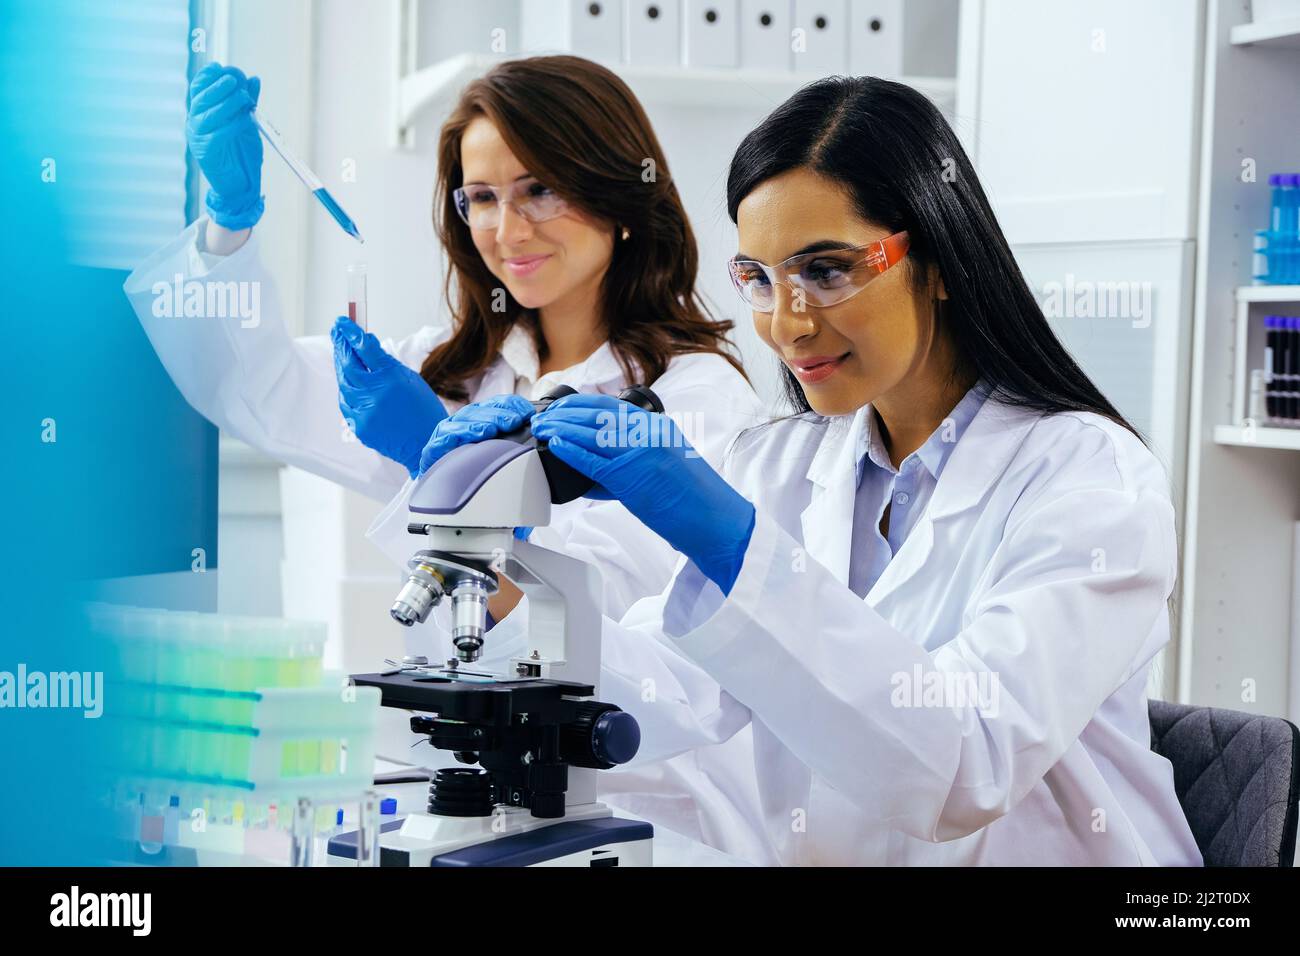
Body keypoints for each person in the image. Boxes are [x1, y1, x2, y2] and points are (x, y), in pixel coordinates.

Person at [416, 76, 1204, 865]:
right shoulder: (783, 462)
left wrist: (740, 549)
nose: (786, 324)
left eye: (825, 270)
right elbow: (671, 700)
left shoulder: (1089, 482)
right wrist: (506, 578)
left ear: (934, 256)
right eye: (758, 279)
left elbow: (967, 764)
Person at [123, 57, 767, 852]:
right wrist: (230, 220)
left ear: (621, 200)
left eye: (540, 189)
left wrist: (437, 457)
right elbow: (253, 387)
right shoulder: (454, 370)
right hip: (479, 778)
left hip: (649, 805)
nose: (508, 229)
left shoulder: (692, 395)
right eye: (483, 199)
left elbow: (621, 621)